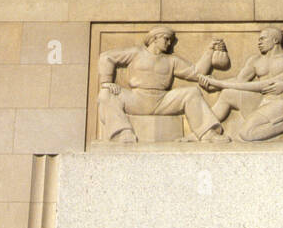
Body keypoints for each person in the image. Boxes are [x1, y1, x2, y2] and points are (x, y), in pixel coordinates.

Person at [98, 27, 229, 144]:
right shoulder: (136, 53)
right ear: (155, 39)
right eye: (166, 39)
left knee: (192, 92)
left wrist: (210, 51)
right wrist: (107, 81)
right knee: (106, 93)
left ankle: (208, 133)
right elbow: (106, 57)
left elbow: (196, 72)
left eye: (170, 40)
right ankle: (122, 133)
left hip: (163, 100)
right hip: (136, 99)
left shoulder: (171, 60)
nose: (169, 43)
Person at [205, 28, 283, 142]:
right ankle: (206, 129)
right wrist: (216, 84)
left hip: (282, 101)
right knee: (227, 94)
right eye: (259, 40)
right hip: (261, 100)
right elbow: (239, 81)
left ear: (275, 40)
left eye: (263, 39)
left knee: (246, 134)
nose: (259, 42)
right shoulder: (255, 61)